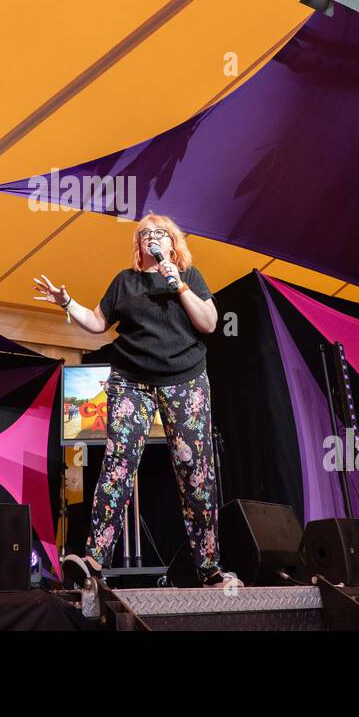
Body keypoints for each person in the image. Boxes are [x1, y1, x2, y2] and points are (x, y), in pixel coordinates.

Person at [33, 213, 239, 590]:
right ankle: (94, 561)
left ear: (173, 243)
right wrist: (66, 303)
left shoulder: (187, 277)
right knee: (117, 464)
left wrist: (178, 286)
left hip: (185, 381)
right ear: (138, 245)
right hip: (131, 381)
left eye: (160, 233)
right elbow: (96, 323)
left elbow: (209, 323)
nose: (152, 238)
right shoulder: (124, 282)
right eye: (145, 234)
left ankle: (208, 566)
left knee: (195, 473)